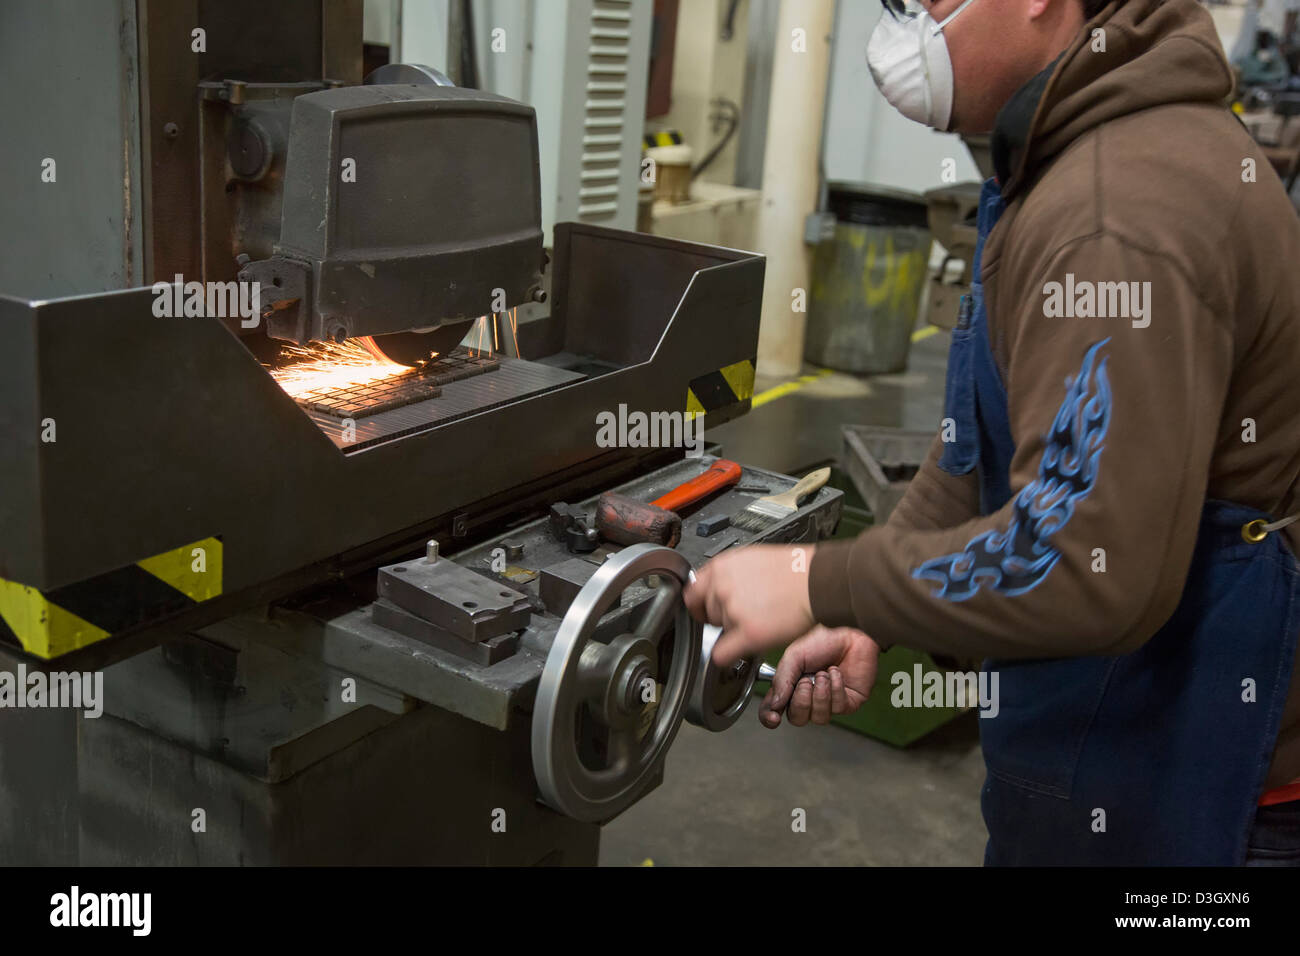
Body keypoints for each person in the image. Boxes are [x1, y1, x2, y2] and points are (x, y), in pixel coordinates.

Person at [685, 0, 1300, 865]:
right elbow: (973, 443)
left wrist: (822, 579)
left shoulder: (1116, 211)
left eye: (919, 1)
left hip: (1204, 796)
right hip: (1105, 742)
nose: (899, 29)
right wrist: (873, 614)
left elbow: (1090, 563)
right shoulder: (1059, 154)